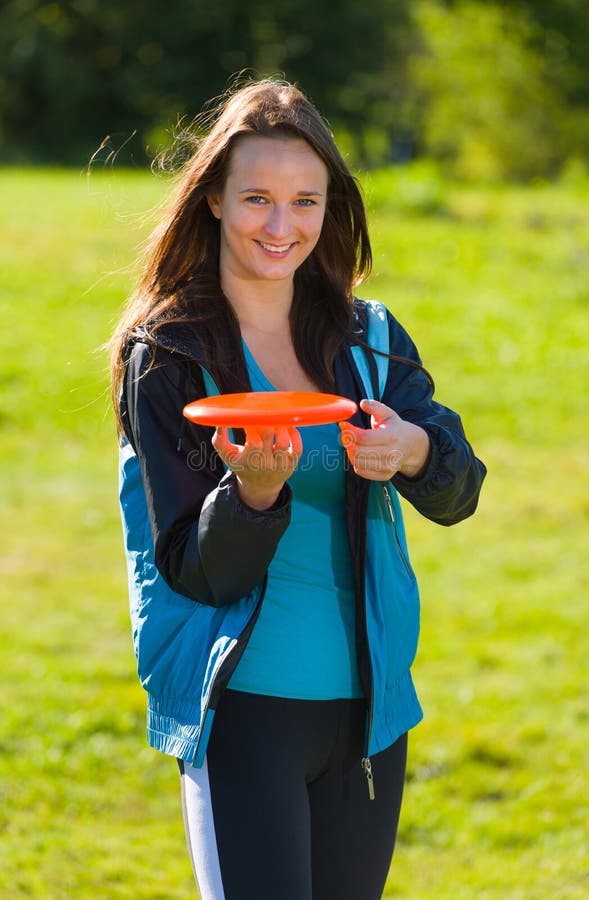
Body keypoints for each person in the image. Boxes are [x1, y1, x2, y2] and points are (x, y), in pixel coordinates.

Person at [110, 77, 486, 900]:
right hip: (242, 710)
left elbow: (462, 487)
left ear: (329, 206)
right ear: (211, 199)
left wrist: (416, 450)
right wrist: (252, 498)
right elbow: (193, 570)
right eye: (256, 198)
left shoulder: (368, 337)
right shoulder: (168, 353)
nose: (282, 227)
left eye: (304, 202)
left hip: (368, 715)